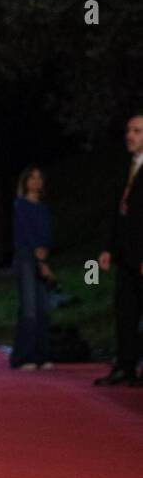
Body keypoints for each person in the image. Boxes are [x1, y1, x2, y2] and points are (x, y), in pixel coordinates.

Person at [95, 113, 143, 386]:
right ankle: (125, 365)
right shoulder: (126, 169)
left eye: (137, 131)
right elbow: (118, 213)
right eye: (129, 130)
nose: (130, 135)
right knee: (125, 312)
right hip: (125, 256)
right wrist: (108, 248)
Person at [10, 166, 54, 370]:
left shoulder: (44, 207)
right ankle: (24, 356)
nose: (36, 182)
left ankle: (42, 354)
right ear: (25, 181)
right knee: (29, 309)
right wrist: (37, 253)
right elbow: (24, 232)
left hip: (43, 257)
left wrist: (44, 256)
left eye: (39, 178)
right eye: (32, 178)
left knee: (44, 308)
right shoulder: (20, 205)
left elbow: (47, 233)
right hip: (26, 257)